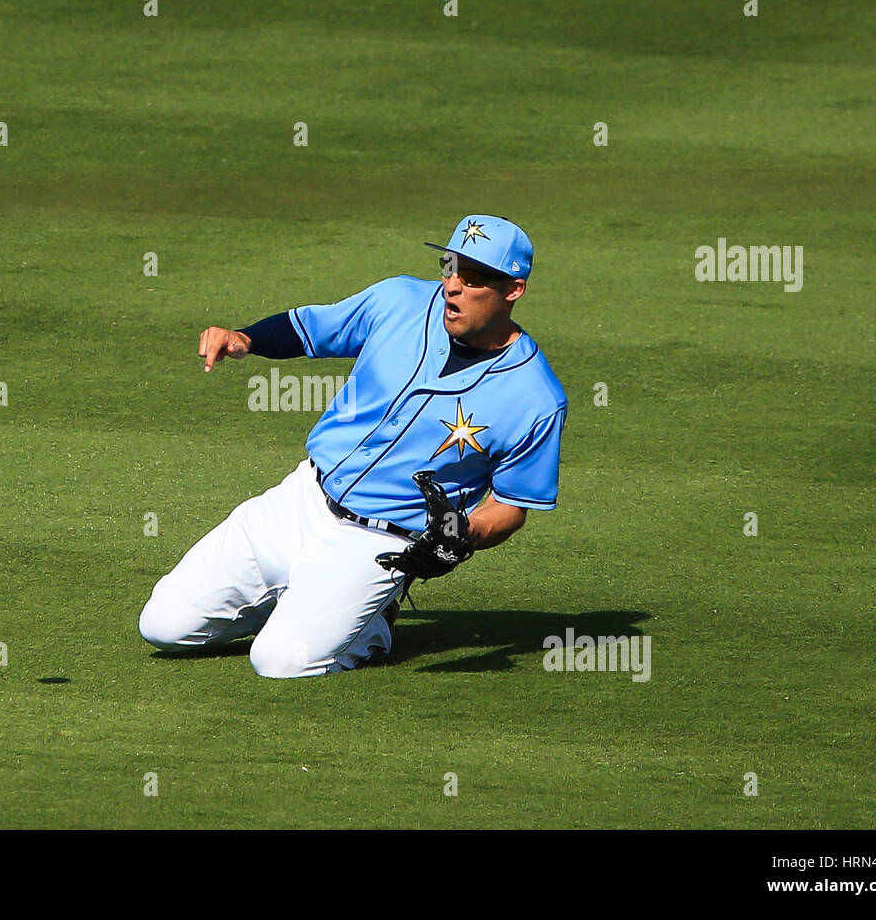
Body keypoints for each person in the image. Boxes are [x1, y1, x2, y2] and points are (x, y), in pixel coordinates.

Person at [138, 215, 568, 678]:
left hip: (376, 543)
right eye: (450, 266)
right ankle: (303, 602)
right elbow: (311, 328)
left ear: (514, 290)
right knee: (163, 626)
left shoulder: (535, 398)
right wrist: (245, 338)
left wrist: (464, 533)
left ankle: (372, 626)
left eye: (474, 276)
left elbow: (511, 504)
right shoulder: (398, 301)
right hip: (301, 499)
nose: (453, 286)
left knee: (279, 662)